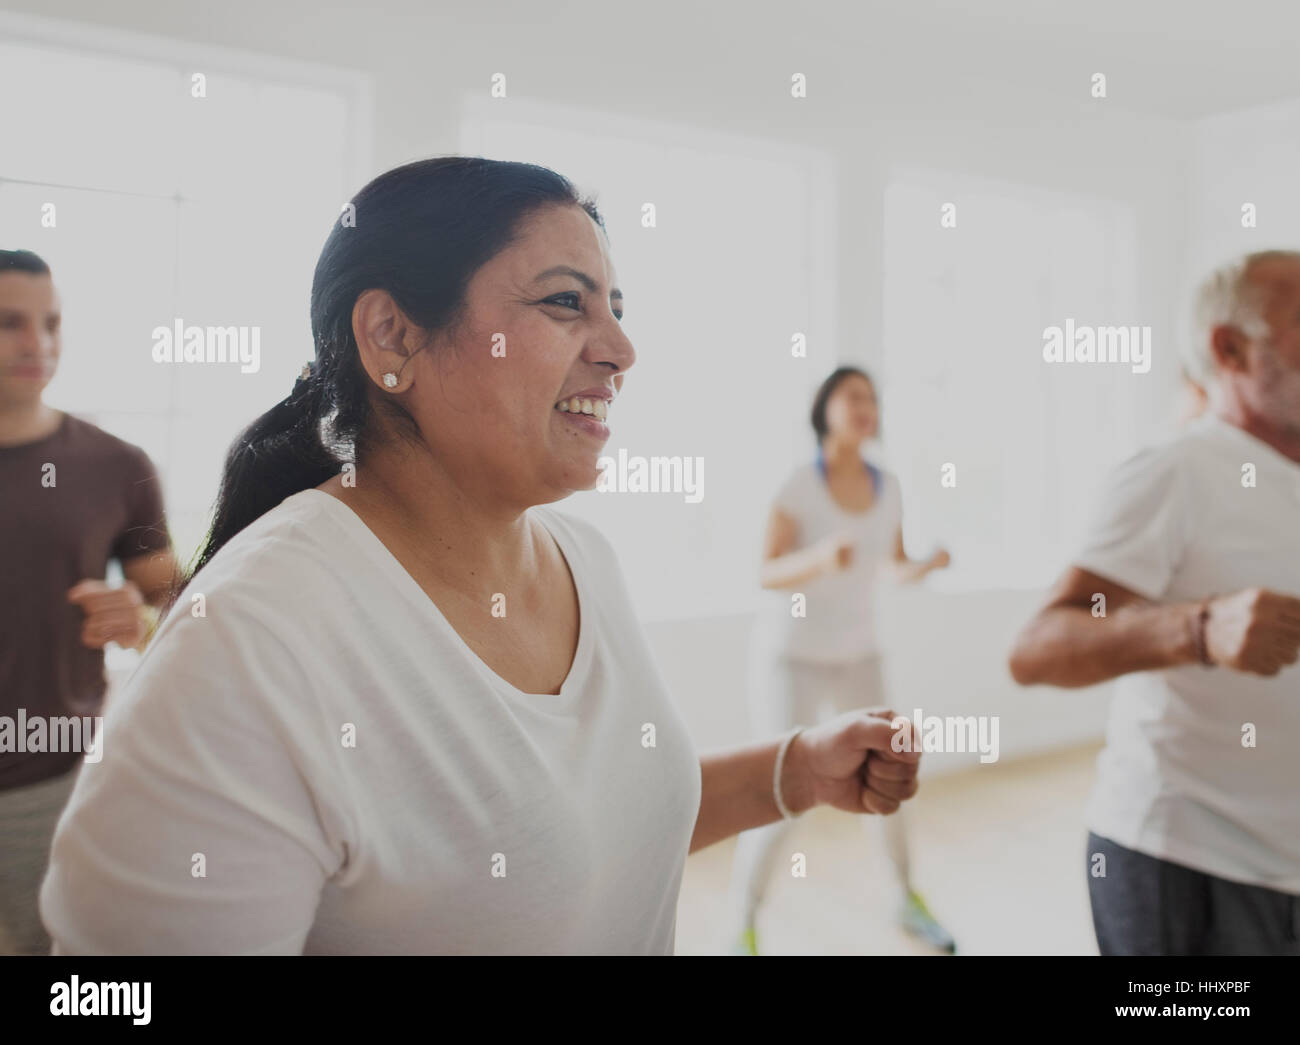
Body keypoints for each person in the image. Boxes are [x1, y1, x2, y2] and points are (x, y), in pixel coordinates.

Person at [38, 157, 922, 955]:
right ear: (391, 337)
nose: (619, 349)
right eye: (566, 302)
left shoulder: (588, 559)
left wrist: (795, 768)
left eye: (617, 308)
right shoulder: (249, 640)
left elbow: (575, 831)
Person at [1008, 250, 1300, 956]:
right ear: (1230, 347)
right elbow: (1038, 645)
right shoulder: (1174, 469)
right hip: (1190, 864)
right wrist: (1197, 628)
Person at [727, 366, 954, 955]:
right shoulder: (799, 483)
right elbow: (765, 571)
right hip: (792, 659)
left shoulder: (891, 486)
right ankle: (743, 924)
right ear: (826, 407)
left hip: (859, 655)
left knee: (892, 778)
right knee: (779, 798)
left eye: (872, 399)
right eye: (853, 396)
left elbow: (892, 563)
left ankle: (906, 898)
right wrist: (821, 559)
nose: (865, 407)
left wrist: (924, 567)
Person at [0, 249, 177, 955]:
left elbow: (182, 603)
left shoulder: (116, 465)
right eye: (9, 322)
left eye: (51, 323)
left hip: (50, 783)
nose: (37, 344)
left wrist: (136, 616)